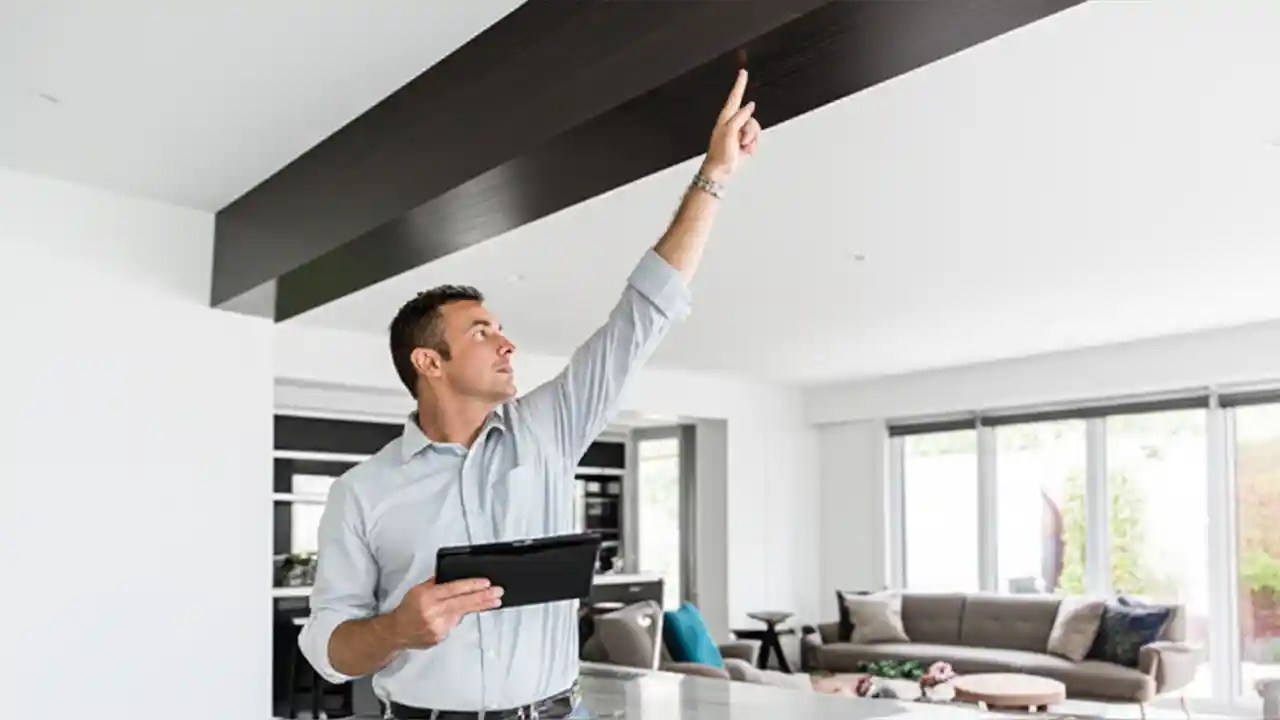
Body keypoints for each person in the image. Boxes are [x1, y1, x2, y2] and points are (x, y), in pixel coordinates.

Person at [298, 69, 762, 719]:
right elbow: (326, 647)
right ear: (428, 361)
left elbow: (642, 317)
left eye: (502, 328)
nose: (506, 344)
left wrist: (714, 175)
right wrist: (395, 629)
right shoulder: (363, 493)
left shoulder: (546, 430)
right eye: (482, 331)